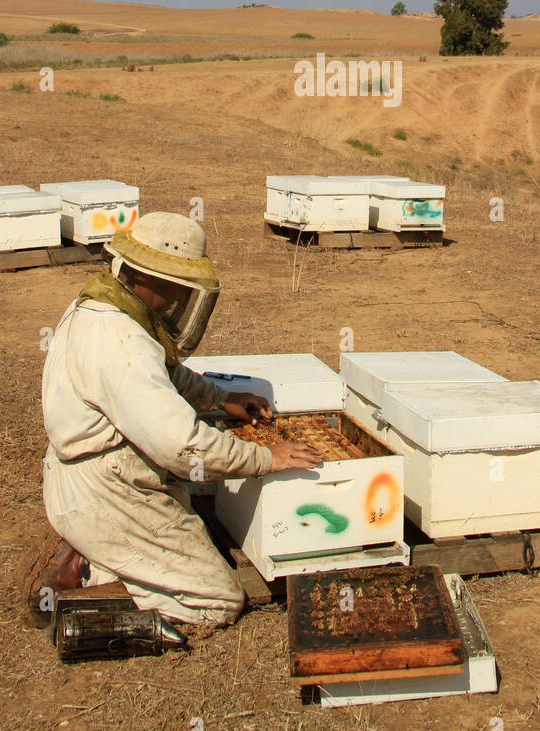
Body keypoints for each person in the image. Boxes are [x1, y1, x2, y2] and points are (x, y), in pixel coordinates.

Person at [20, 212, 319, 629]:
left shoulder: (106, 306)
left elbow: (165, 373)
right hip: (107, 486)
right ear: (149, 278)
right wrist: (265, 458)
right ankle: (79, 605)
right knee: (218, 600)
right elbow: (181, 445)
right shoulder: (116, 337)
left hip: (89, 475)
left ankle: (88, 551)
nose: (180, 299)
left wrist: (222, 398)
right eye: (177, 287)